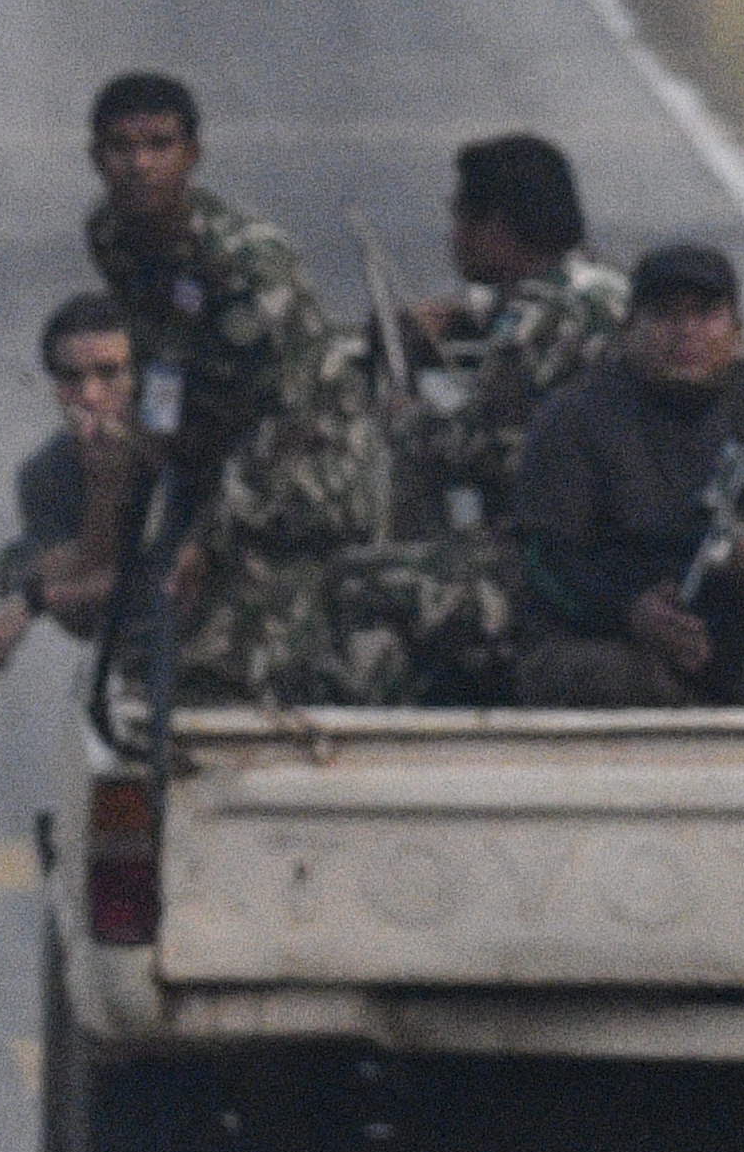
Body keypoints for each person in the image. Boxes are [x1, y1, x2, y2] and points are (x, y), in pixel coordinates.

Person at [73, 70, 515, 708]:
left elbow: (292, 416)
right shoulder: (111, 236)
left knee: (230, 666)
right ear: (97, 159)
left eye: (159, 145)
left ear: (191, 156)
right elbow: (163, 347)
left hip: (308, 472)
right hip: (220, 457)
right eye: (122, 148)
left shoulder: (250, 265)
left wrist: (207, 536)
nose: (140, 165)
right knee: (149, 648)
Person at [501, 245, 744, 703]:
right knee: (626, 681)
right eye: (664, 314)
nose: (686, 332)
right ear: (628, 330)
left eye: (705, 314)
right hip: (599, 642)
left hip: (737, 644)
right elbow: (545, 561)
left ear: (737, 331)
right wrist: (629, 610)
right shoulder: (575, 419)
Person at [394, 130, 626, 526]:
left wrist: (405, 418)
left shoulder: (539, 318)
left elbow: (483, 448)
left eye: (461, 216)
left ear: (497, 229)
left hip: (568, 541)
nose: (454, 236)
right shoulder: (607, 283)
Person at [0, 300, 147, 683]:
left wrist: (35, 601)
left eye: (109, 373)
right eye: (71, 379)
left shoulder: (186, 450)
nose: (91, 396)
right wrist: (104, 485)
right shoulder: (50, 472)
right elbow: (83, 612)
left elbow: (176, 576)